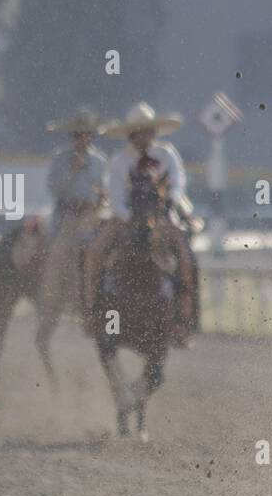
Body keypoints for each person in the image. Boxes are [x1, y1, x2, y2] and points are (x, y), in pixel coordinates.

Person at [84, 102, 199, 343]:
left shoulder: (167, 154)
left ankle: (184, 321)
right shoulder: (119, 161)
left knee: (187, 260)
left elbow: (178, 185)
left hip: (163, 218)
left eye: (148, 131)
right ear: (131, 135)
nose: (145, 136)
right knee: (94, 252)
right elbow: (116, 199)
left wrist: (167, 205)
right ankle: (93, 312)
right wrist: (132, 219)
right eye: (140, 132)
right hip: (125, 220)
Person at [41, 107, 108, 327]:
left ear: (91, 136)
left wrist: (102, 198)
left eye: (86, 134)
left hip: (91, 216)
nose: (82, 139)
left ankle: (97, 301)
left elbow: (103, 189)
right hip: (68, 217)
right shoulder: (61, 159)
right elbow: (54, 188)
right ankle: (50, 301)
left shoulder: (99, 161)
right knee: (59, 254)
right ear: (73, 137)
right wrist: (72, 171)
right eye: (78, 135)